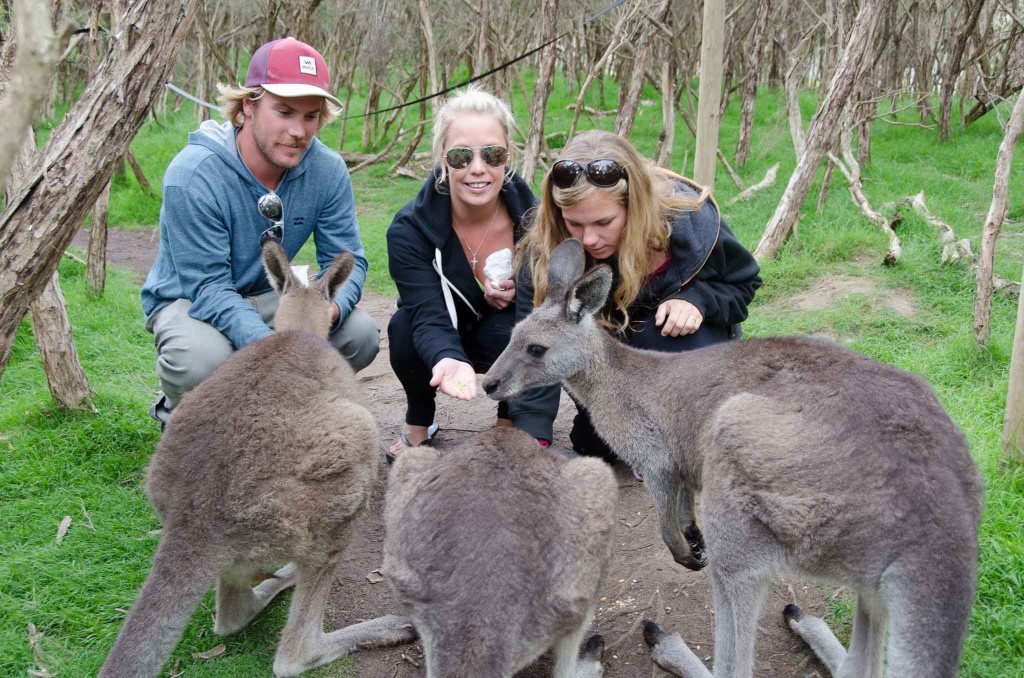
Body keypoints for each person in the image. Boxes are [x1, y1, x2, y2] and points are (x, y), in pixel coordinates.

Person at [141, 37, 379, 425]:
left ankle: (286, 408)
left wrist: (327, 311)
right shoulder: (194, 175)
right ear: (248, 106)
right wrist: (277, 349)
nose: (298, 131)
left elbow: (349, 256)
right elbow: (208, 288)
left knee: (359, 334)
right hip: (191, 299)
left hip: (268, 295)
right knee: (200, 361)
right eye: (284, 111)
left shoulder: (327, 170)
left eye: (310, 116)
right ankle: (183, 412)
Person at [519, 129, 763, 463]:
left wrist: (698, 299)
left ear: (634, 205)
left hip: (678, 348)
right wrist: (531, 428)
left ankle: (686, 437)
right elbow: (540, 335)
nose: (589, 239)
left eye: (605, 222)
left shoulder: (692, 221)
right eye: (575, 223)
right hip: (609, 357)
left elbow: (743, 284)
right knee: (599, 446)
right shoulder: (549, 242)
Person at [386, 86, 557, 461]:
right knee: (402, 329)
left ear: (507, 156)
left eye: (492, 155)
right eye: (461, 156)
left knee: (521, 325)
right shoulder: (408, 229)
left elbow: (543, 318)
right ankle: (420, 418)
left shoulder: (539, 222)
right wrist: (447, 357)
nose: (477, 168)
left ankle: (510, 416)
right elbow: (426, 311)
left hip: (500, 329)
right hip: (445, 325)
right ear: (443, 159)